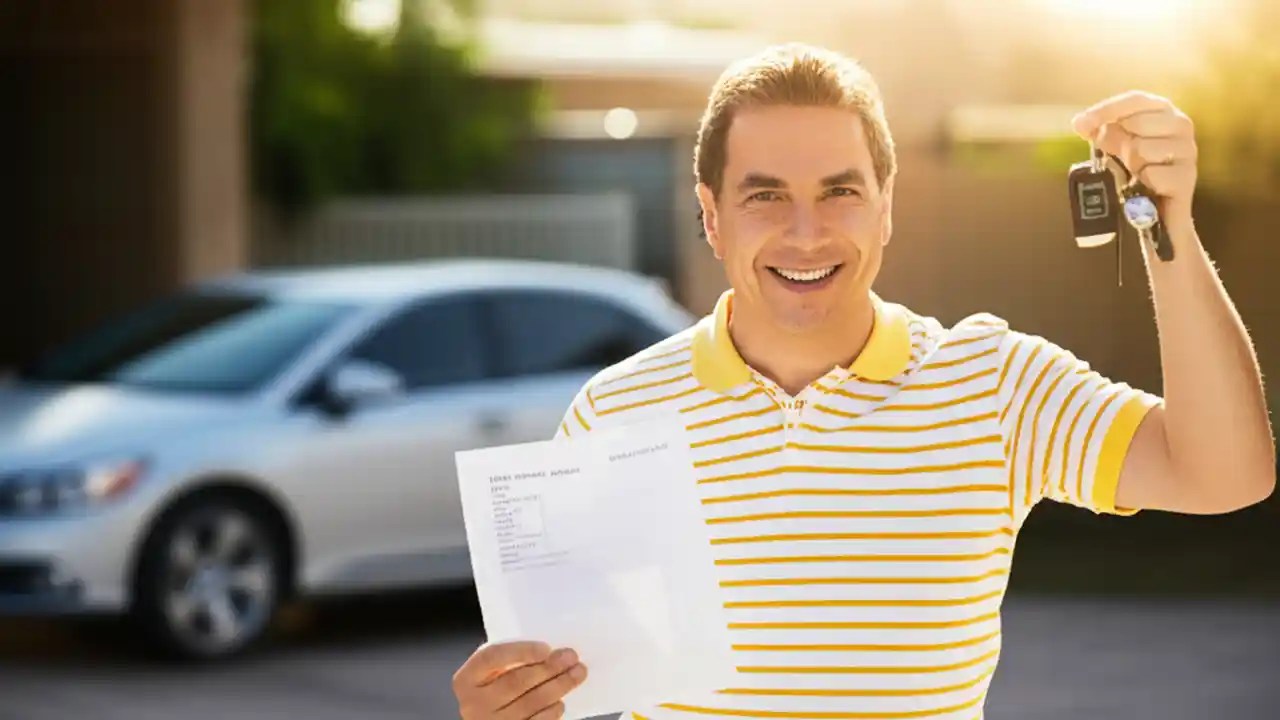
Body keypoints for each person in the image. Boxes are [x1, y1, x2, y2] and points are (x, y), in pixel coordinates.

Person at [452, 43, 1275, 720]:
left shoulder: (994, 385)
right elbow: (569, 685)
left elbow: (1227, 474)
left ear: (886, 204)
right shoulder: (613, 410)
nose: (805, 234)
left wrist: (1167, 225)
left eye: (839, 191)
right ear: (711, 215)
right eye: (765, 195)